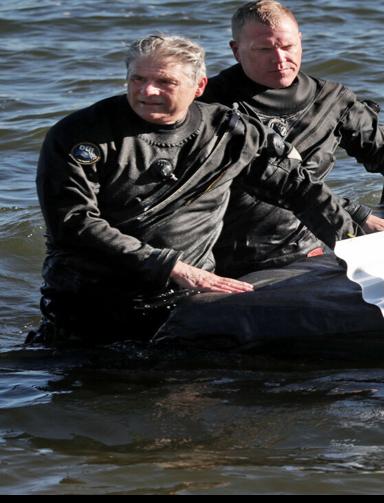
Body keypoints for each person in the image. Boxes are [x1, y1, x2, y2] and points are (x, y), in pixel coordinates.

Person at [33, 34, 351, 345]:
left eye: (165, 82)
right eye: (137, 79)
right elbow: (74, 223)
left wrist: (355, 245)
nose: (147, 91)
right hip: (94, 301)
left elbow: (299, 190)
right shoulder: (80, 135)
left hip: (191, 298)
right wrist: (172, 266)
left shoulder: (229, 132)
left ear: (198, 87)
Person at [203, 1, 384, 276]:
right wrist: (360, 217)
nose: (279, 60)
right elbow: (275, 181)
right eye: (264, 49)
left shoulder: (331, 101)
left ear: (300, 41)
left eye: (287, 47)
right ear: (236, 51)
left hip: (309, 242)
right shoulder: (210, 108)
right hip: (227, 254)